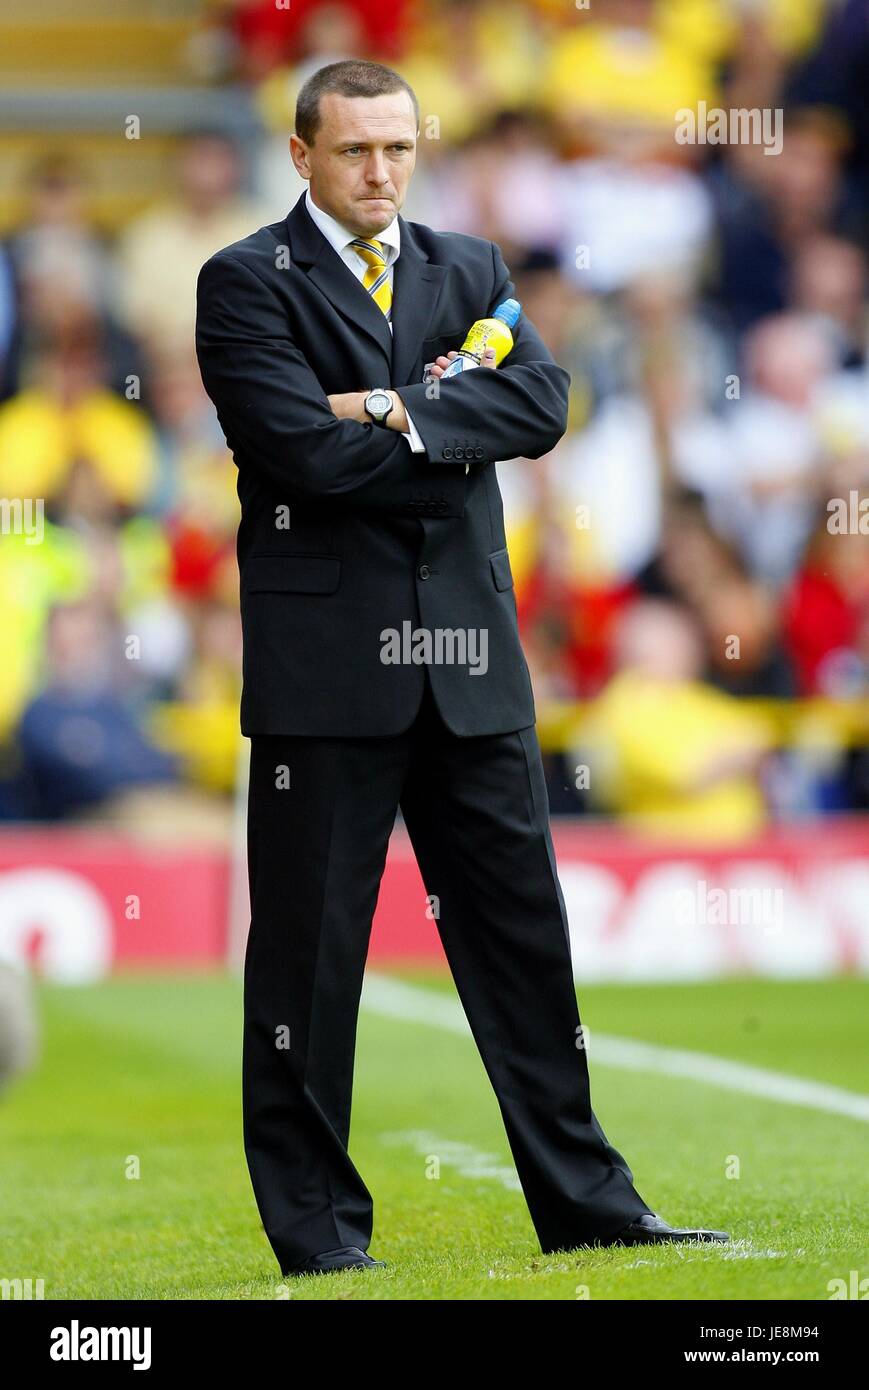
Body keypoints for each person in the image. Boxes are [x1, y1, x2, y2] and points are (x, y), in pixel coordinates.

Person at [195, 58, 729, 1278]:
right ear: (301, 157)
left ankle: (589, 1206)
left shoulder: (471, 266)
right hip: (328, 677)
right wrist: (439, 412)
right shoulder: (242, 282)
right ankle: (318, 1234)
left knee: (525, 946)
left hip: (472, 663)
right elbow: (296, 457)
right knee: (308, 963)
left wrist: (382, 411)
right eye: (353, 151)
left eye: (397, 148)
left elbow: (542, 404)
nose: (379, 172)